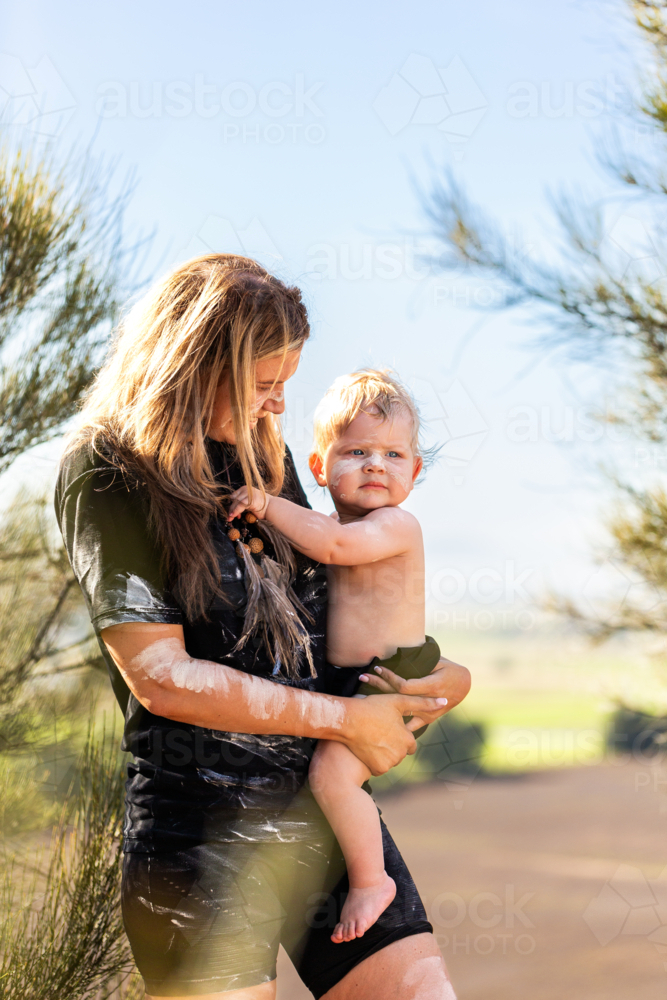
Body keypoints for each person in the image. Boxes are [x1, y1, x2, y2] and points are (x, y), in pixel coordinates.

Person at [55, 253, 470, 1000]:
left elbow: (324, 603)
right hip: (198, 838)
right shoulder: (104, 470)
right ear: (191, 365)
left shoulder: (261, 451)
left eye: (285, 385)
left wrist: (425, 676)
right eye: (261, 385)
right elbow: (162, 680)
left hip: (320, 812)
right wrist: (347, 718)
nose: (276, 406)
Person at [227, 369, 442, 946]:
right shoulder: (337, 525)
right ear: (321, 469)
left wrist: (265, 504)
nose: (376, 464)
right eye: (356, 451)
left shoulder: (393, 525)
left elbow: (331, 544)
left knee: (332, 777)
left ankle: (372, 882)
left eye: (394, 454)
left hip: (393, 677)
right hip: (355, 679)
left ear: (414, 473)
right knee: (329, 777)